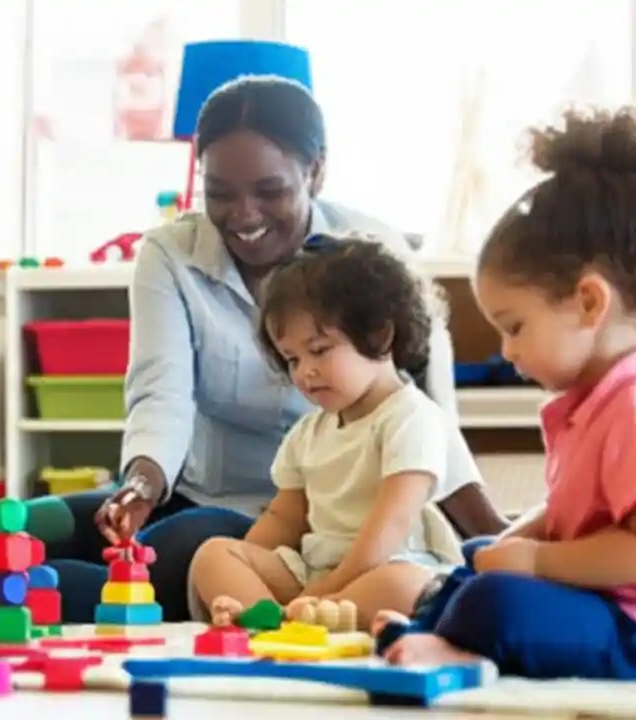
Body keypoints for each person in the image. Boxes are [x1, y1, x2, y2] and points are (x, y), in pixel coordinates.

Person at [44, 75, 508, 623]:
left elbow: (432, 426)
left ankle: (71, 592)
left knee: (184, 545)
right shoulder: (170, 256)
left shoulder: (372, 258)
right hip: (225, 504)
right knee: (108, 525)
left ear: (315, 171)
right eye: (219, 193)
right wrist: (140, 486)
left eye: (269, 191)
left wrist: (497, 546)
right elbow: (161, 394)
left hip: (337, 547)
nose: (243, 215)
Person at [378, 107, 636, 679]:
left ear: (590, 303)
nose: (508, 352)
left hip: (628, 627)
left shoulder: (632, 404)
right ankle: (429, 634)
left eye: (515, 327)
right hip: (597, 603)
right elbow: (576, 509)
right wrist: (513, 542)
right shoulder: (595, 399)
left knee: (498, 601)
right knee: (474, 565)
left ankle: (468, 648)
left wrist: (538, 561)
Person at [190, 236, 472, 628]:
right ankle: (270, 623)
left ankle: (296, 620)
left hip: (385, 566)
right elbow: (283, 518)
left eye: (319, 350)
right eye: (292, 358)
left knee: (406, 586)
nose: (305, 371)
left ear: (380, 335)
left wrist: (330, 590)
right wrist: (249, 563)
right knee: (214, 554)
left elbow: (390, 524)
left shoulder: (411, 417)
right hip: (313, 572)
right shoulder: (310, 432)